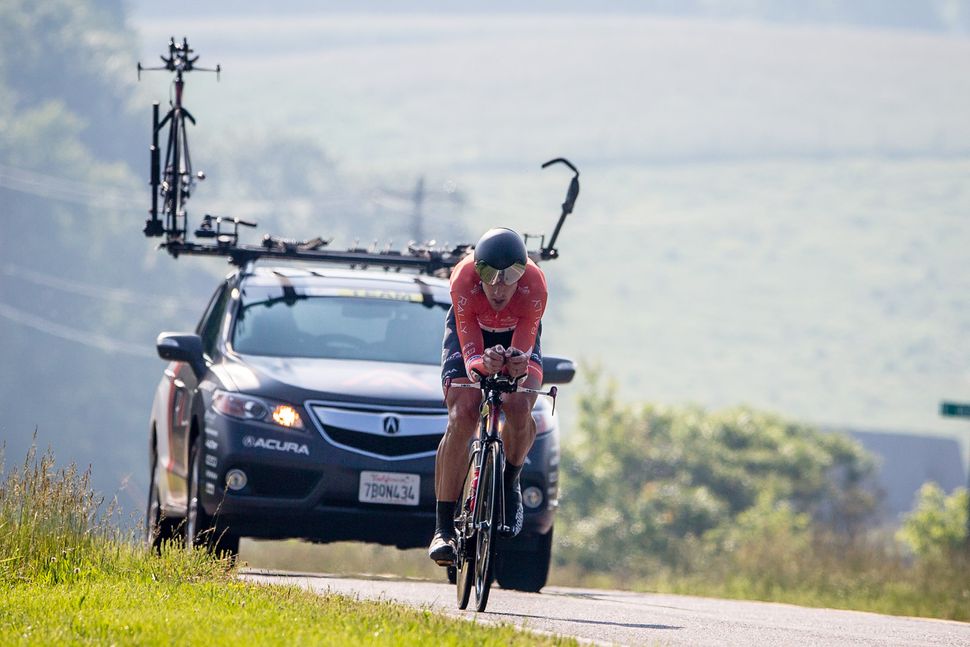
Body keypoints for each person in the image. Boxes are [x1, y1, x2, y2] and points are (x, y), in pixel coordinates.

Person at [429, 227, 547, 566]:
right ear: (476, 270)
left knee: (519, 404)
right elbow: (469, 351)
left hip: (516, 333)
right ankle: (443, 529)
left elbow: (523, 349)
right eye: (489, 275)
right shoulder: (462, 281)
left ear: (522, 273)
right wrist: (481, 363)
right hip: (473, 333)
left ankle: (510, 482)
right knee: (463, 414)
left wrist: (516, 366)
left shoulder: (535, 287)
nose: (497, 286)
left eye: (509, 276)